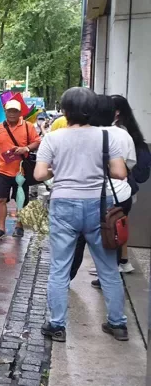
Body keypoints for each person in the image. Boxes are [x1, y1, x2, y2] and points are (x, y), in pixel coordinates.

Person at [35, 87, 129, 343]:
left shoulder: (53, 138)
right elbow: (120, 173)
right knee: (108, 268)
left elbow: (39, 174)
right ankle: (118, 323)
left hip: (63, 205)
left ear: (65, 110)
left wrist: (58, 169)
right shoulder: (106, 137)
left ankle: (56, 325)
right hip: (99, 206)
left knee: (60, 267)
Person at [70, 96, 135, 283]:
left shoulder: (83, 134)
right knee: (112, 236)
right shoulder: (124, 134)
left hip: (90, 193)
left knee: (80, 238)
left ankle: (67, 276)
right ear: (114, 113)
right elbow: (130, 164)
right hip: (120, 194)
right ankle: (110, 277)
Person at [0, 100, 41, 238]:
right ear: (5, 112)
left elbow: (37, 141)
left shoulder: (28, 126)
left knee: (21, 201)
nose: (12, 114)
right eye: (9, 111)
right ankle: (1, 228)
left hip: (21, 171)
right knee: (0, 199)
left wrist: (26, 148)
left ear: (20, 113)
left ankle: (19, 225)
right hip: (2, 170)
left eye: (15, 111)